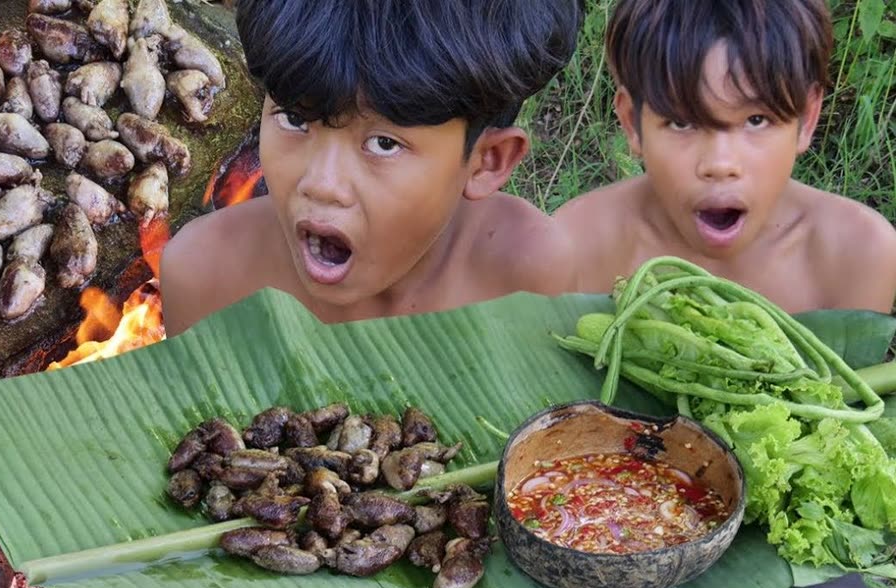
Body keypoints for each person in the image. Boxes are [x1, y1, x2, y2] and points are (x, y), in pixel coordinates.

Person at [160, 0, 583, 336]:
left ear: (487, 161)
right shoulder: (205, 274)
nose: (322, 185)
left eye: (383, 144)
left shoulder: (528, 279)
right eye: (294, 118)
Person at [554, 0, 896, 315]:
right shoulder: (578, 245)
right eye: (682, 122)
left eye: (756, 120)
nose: (720, 164)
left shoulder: (857, 256)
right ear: (632, 123)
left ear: (807, 119)